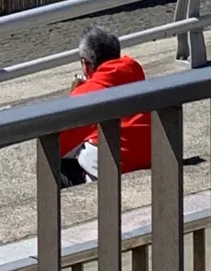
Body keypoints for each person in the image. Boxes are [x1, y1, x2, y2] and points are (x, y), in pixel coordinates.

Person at [59, 27, 152, 186]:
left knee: (57, 167)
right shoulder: (136, 74)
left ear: (86, 64)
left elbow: (59, 145)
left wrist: (74, 95)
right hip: (147, 157)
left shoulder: (86, 93)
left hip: (117, 167)